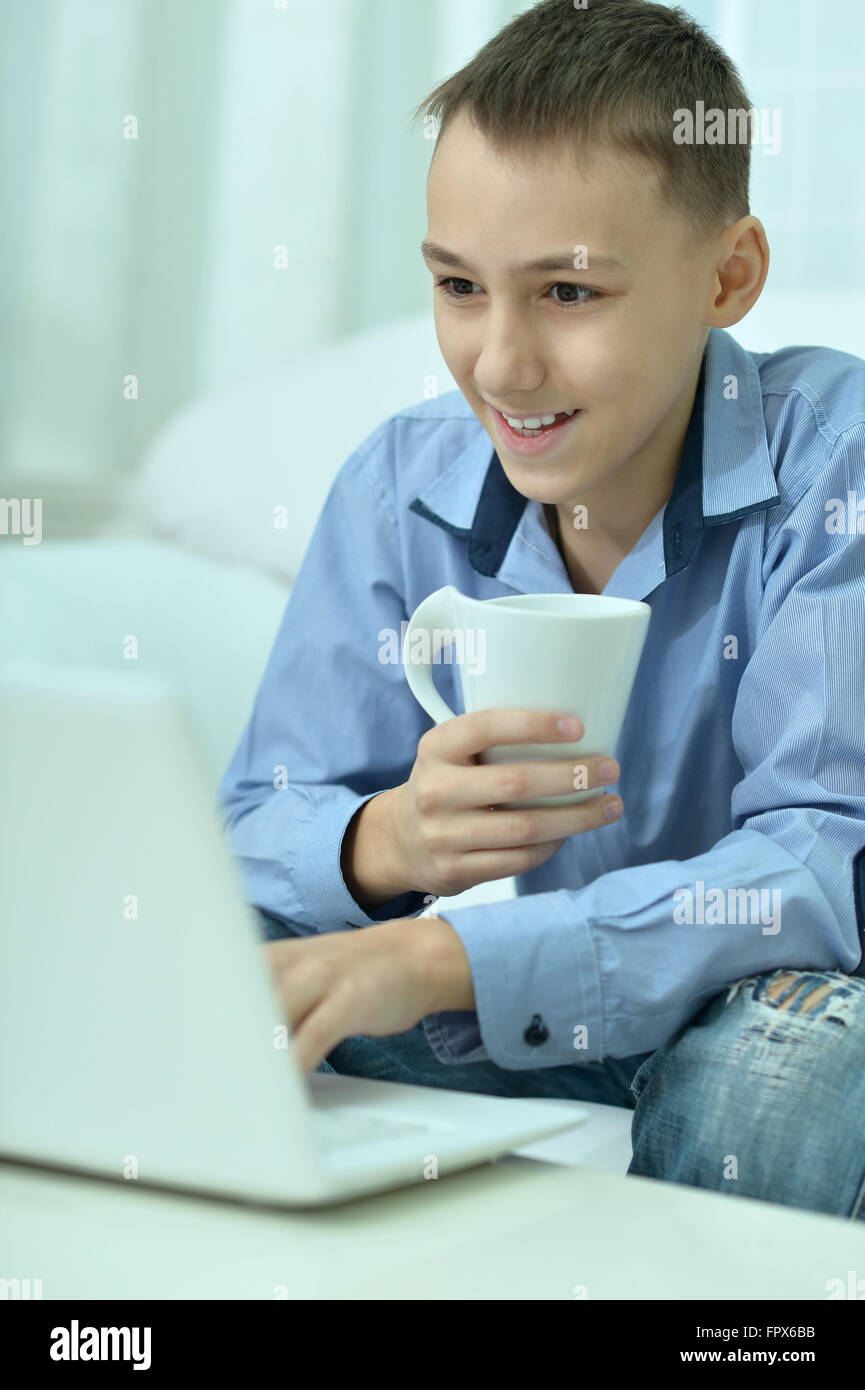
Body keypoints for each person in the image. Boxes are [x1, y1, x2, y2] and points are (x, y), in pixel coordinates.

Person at [218, 0, 865, 1220]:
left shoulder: (838, 460)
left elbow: (821, 865)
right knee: (208, 958)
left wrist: (439, 955)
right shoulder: (400, 482)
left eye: (567, 294)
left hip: (770, 999)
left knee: (791, 1074)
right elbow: (259, 813)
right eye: (460, 286)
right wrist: (388, 847)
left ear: (728, 275)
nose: (499, 364)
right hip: (533, 1003)